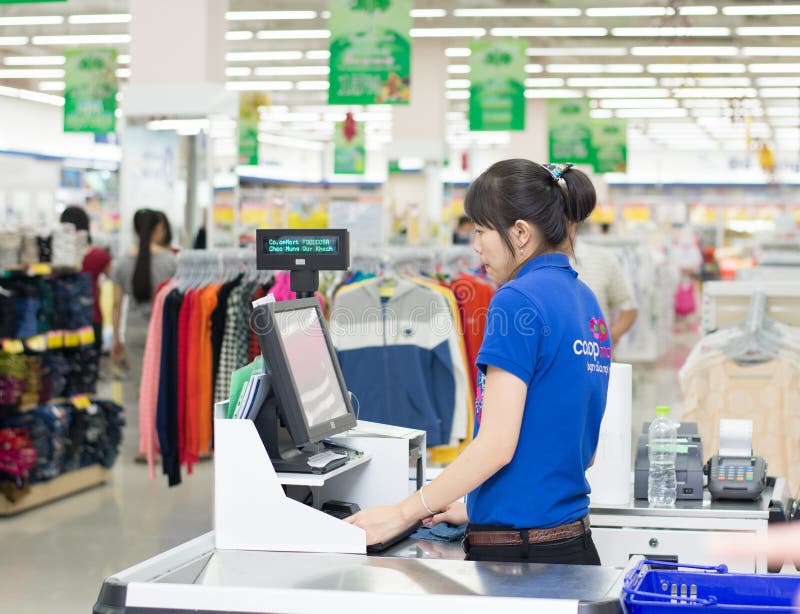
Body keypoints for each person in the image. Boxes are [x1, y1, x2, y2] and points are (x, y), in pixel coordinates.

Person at [346, 159, 612, 565]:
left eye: (482, 230)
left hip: (520, 564)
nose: (475, 245)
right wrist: (479, 506)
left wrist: (400, 515)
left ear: (520, 233)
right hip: (572, 545)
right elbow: (577, 450)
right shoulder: (585, 301)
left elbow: (496, 447)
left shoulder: (516, 300)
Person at [110, 209, 177, 367]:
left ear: (134, 230)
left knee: (137, 388)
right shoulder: (171, 261)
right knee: (160, 388)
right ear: (158, 228)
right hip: (162, 330)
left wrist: (116, 338)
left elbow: (116, 304)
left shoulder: (121, 262)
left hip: (133, 330)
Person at [570, 224, 638, 346]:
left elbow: (629, 307)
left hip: (597, 358)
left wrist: (610, 338)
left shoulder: (603, 259)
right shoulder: (536, 261)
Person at [59, 205, 111, 358]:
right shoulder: (100, 256)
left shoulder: (57, 261)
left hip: (62, 319)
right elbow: (113, 281)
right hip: (92, 317)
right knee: (89, 371)